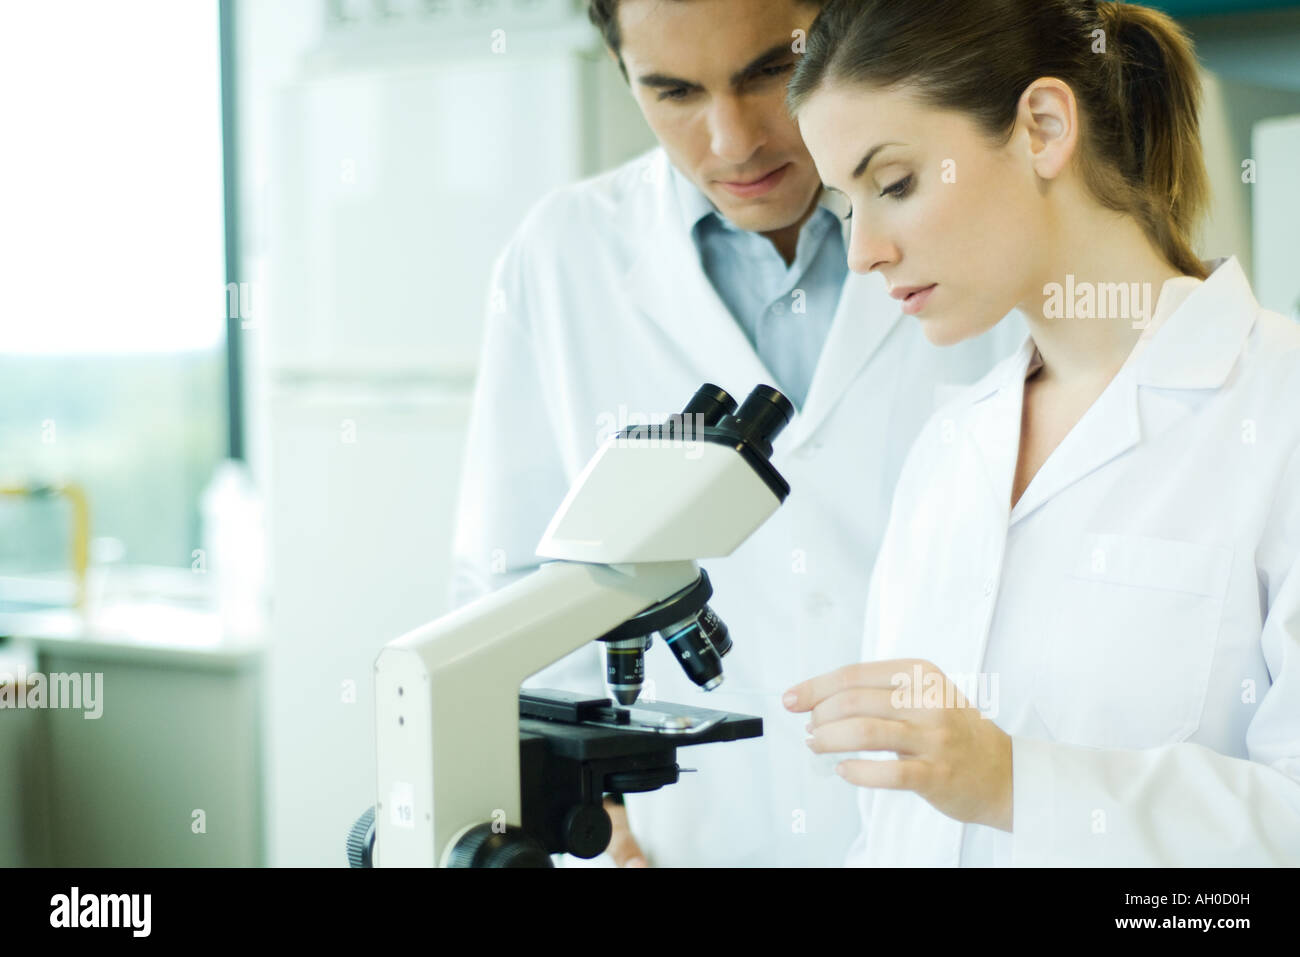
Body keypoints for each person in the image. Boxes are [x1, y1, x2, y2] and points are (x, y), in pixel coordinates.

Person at [449, 0, 1024, 867]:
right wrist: (600, 826)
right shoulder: (562, 256)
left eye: (768, 73)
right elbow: (511, 593)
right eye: (674, 90)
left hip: (969, 832)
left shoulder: (985, 220)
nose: (733, 142)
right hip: (698, 837)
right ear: (622, 71)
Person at [781, 0, 1300, 865]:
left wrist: (1014, 782)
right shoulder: (952, 449)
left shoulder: (1279, 410)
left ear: (1044, 127)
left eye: (896, 183)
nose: (863, 250)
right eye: (843, 207)